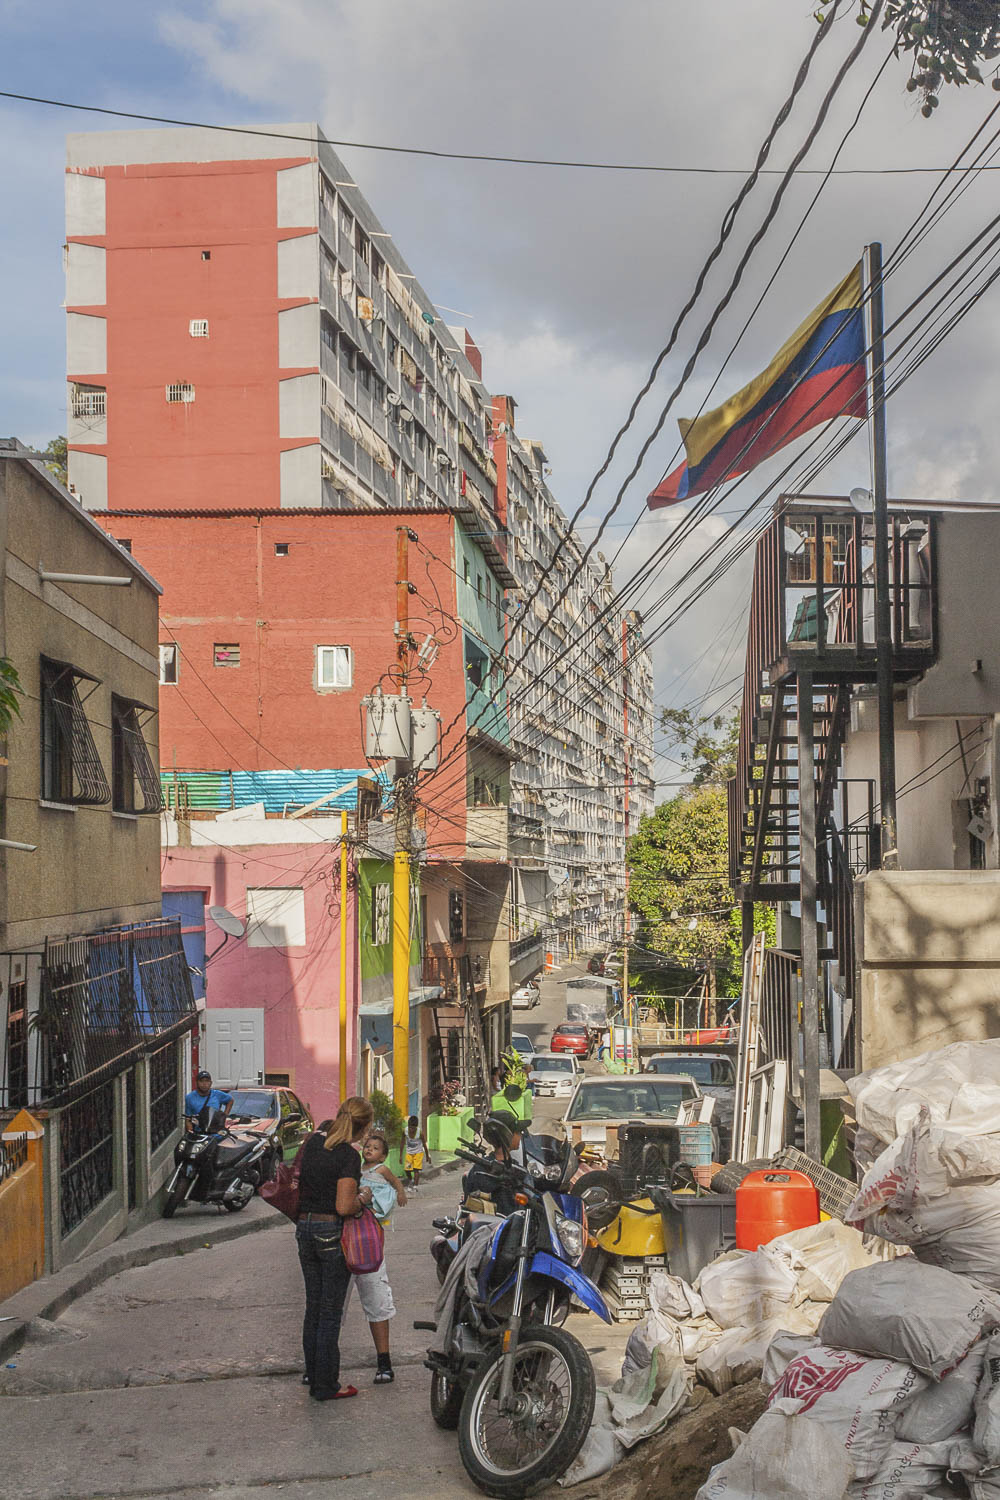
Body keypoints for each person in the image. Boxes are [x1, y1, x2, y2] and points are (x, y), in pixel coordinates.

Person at [296, 1095, 374, 1402]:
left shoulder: (315, 1144)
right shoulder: (348, 1156)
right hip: (330, 1233)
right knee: (329, 1312)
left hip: (305, 1229)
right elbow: (344, 1206)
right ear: (363, 1126)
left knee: (313, 1307)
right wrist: (363, 1199)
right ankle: (326, 1385)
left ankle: (312, 1374)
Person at [345, 1130, 406, 1384]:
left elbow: (395, 1183)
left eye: (374, 1147)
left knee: (376, 1298)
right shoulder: (352, 1165)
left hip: (366, 1235)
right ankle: (320, 1362)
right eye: (366, 1146)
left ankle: (384, 1360)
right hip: (344, 1236)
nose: (368, 1149)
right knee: (332, 1306)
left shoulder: (381, 1170)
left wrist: (400, 1193)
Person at [462, 1110, 521, 1216]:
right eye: (518, 1132)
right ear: (508, 1135)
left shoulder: (478, 1168)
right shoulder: (514, 1171)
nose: (520, 1135)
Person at [403, 1115, 431, 1191]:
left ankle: (415, 1186)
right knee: (407, 1170)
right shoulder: (405, 1131)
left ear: (416, 1127)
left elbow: (424, 1144)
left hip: (418, 1153)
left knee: (416, 1169)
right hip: (409, 1153)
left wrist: (428, 1155)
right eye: (410, 1127)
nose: (411, 1129)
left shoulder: (420, 1133)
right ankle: (411, 1180)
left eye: (413, 1128)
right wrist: (400, 1155)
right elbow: (402, 1142)